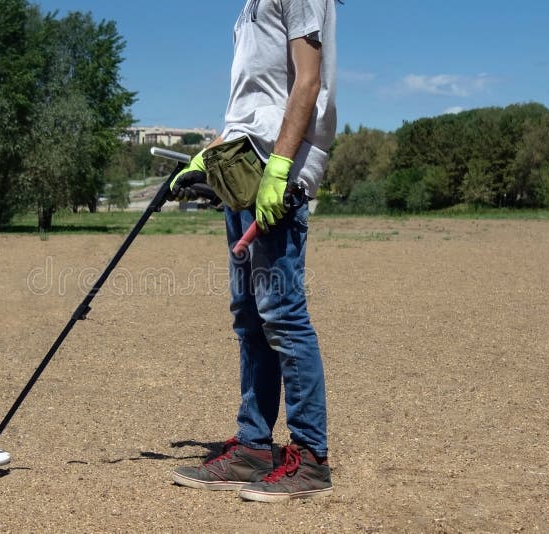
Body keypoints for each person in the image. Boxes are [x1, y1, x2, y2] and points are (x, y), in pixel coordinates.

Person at [169, 0, 339, 503]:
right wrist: (207, 155)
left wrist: (281, 167)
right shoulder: (248, 8)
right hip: (242, 166)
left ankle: (310, 457)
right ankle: (253, 448)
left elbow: (308, 80)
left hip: (274, 166)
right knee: (249, 316)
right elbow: (250, 106)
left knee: (282, 314)